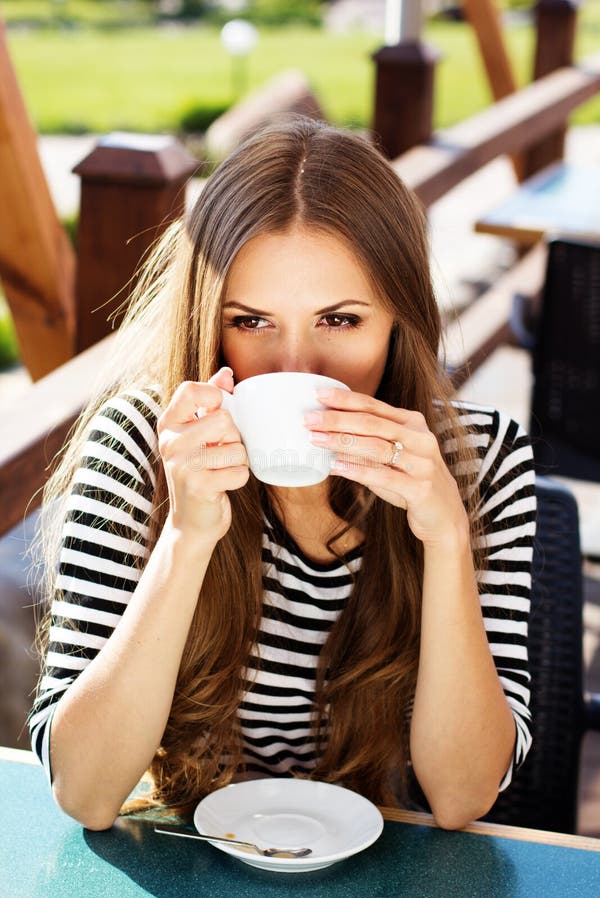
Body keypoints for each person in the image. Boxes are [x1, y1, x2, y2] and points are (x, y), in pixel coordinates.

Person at [29, 117, 535, 832]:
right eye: (252, 322)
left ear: (399, 318)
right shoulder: (142, 448)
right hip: (182, 849)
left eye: (340, 320)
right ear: (207, 324)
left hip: (385, 857)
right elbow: (84, 792)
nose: (297, 369)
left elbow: (462, 798)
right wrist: (186, 536)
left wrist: (447, 540)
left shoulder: (478, 462)